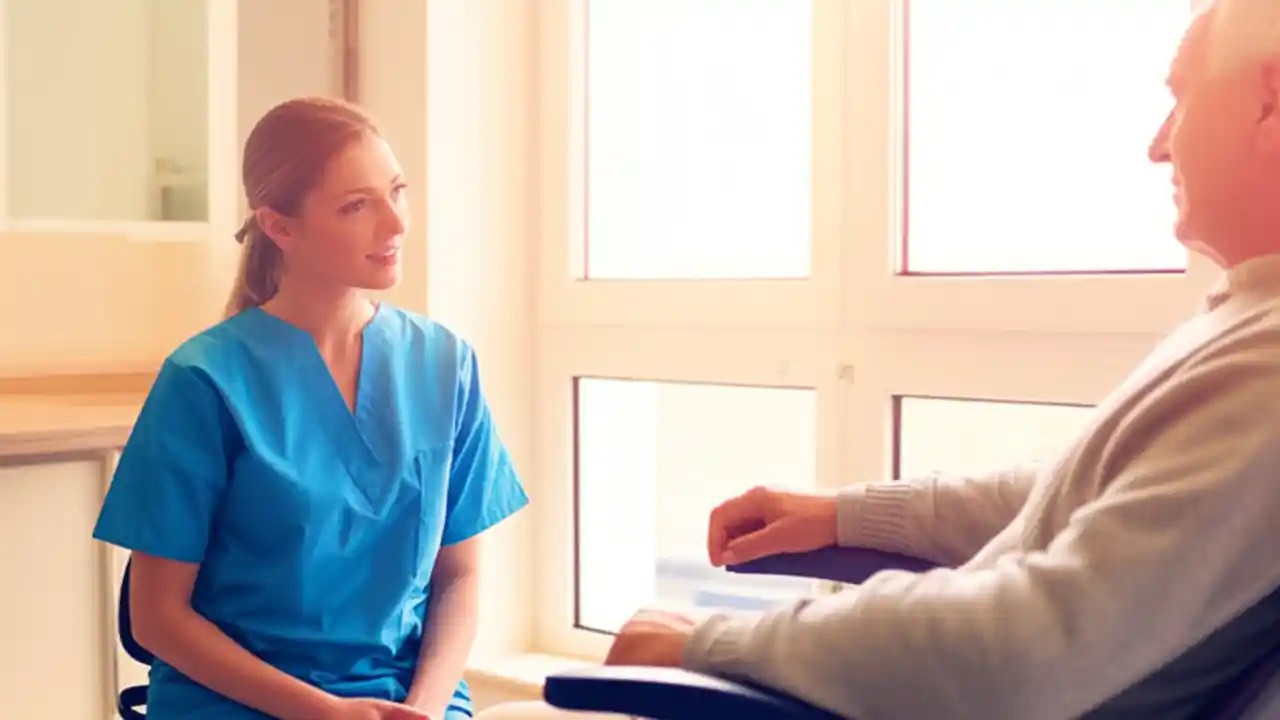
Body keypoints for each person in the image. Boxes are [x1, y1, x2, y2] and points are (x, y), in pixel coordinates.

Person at [604, 1, 1280, 718]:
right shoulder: (1245, 325)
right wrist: (849, 516)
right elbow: (1079, 497)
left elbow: (1025, 651)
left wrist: (712, 644)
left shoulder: (1265, 368)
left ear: (1270, 106)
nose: (1158, 144)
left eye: (1179, 100)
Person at [93, 97, 529, 720]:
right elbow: (158, 619)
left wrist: (427, 708)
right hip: (238, 703)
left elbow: (457, 575)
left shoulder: (445, 364)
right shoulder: (204, 380)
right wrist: (325, 713)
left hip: (406, 700)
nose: (395, 223)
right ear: (280, 227)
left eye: (397, 192)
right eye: (357, 206)